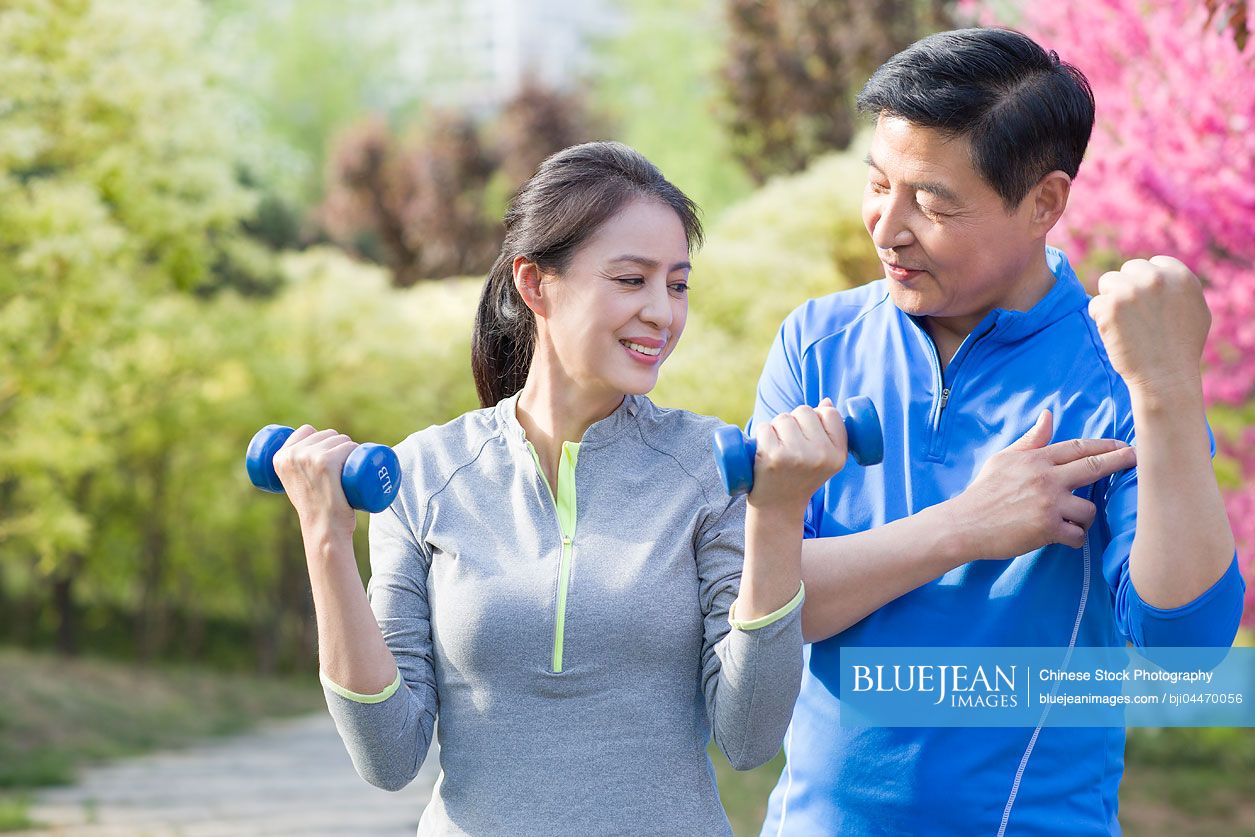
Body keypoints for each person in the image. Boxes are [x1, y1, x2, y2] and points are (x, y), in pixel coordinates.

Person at [271, 141, 849, 835]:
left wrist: (778, 517)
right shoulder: (424, 472)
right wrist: (325, 536)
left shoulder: (708, 465)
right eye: (632, 280)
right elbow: (387, 754)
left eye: (677, 284)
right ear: (536, 284)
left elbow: (749, 736)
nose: (662, 314)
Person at [751, 28, 1246, 836]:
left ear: (1044, 203)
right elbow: (768, 605)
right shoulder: (816, 342)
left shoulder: (1112, 372)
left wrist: (1164, 394)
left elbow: (1183, 646)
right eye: (879, 184)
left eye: (934, 202)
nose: (887, 227)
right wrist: (963, 527)